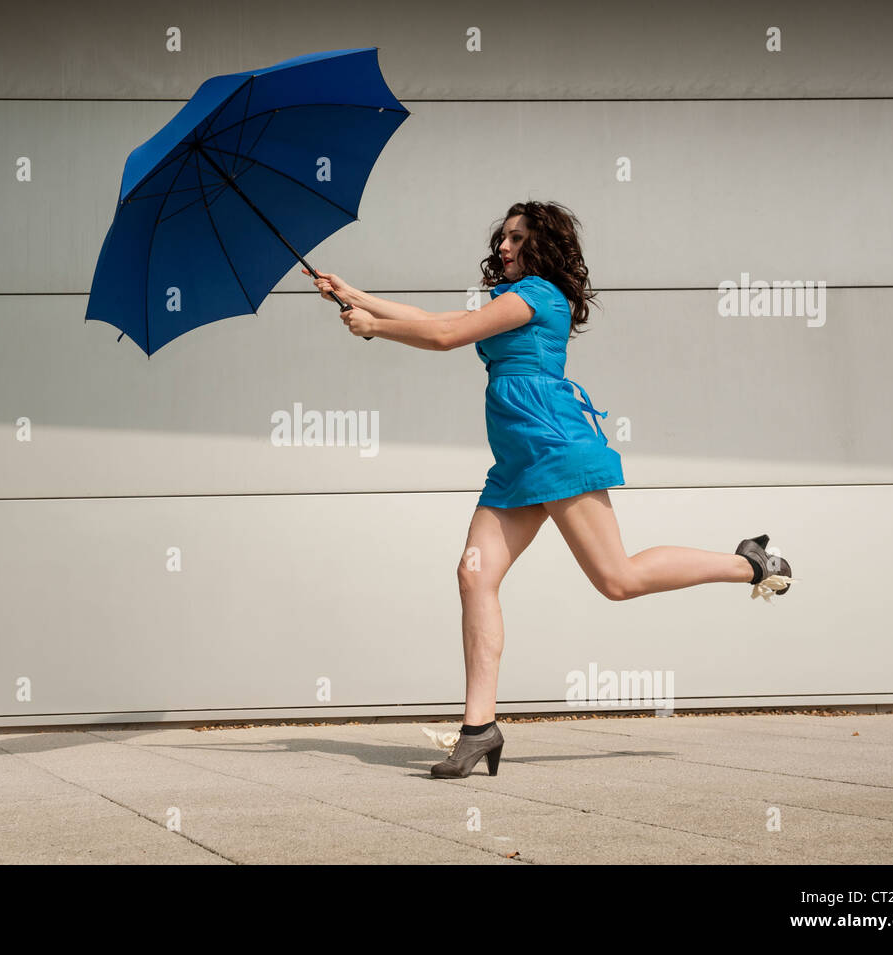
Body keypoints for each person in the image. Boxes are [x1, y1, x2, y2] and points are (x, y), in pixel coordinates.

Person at [304, 200, 796, 779]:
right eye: (503, 238)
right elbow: (433, 317)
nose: (505, 247)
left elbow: (444, 335)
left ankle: (750, 564)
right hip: (516, 459)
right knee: (473, 574)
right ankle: (478, 728)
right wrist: (356, 295)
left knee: (618, 579)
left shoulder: (537, 295)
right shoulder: (509, 298)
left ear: (541, 248)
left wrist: (375, 328)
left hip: (556, 444)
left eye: (517, 239)